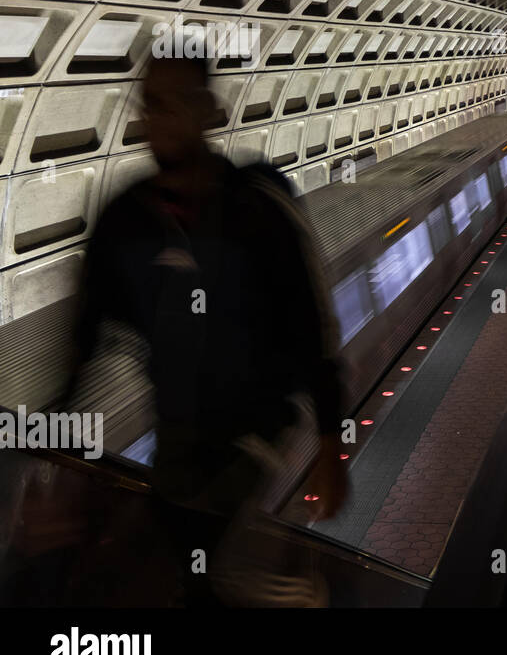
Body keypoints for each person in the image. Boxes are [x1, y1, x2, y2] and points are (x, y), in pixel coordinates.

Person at [65, 53, 347, 603]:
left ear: (210, 113)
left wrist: (331, 445)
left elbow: (311, 327)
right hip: (177, 435)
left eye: (176, 103)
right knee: (188, 562)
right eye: (150, 105)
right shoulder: (127, 220)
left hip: (258, 433)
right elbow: (85, 337)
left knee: (212, 556)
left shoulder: (259, 210)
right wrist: (52, 449)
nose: (159, 118)